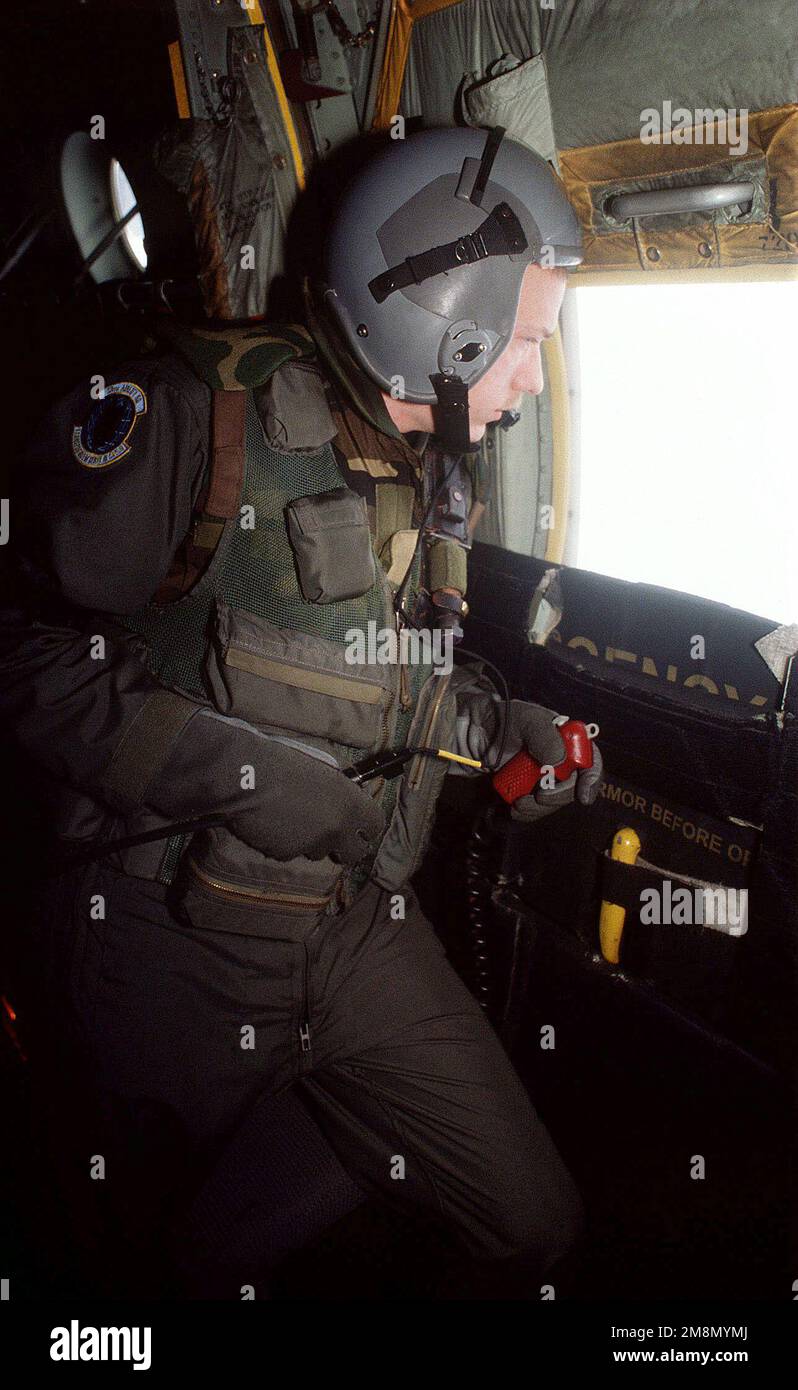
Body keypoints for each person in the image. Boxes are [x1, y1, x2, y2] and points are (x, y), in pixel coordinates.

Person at [0, 126, 601, 1299]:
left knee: (534, 1222)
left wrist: (497, 726)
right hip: (168, 922)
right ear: (441, 318)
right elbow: (22, 656)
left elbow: (397, 671)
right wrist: (239, 772)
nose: (532, 376)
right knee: (125, 1259)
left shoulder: (437, 457)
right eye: (526, 341)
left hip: (351, 916)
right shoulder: (188, 412)